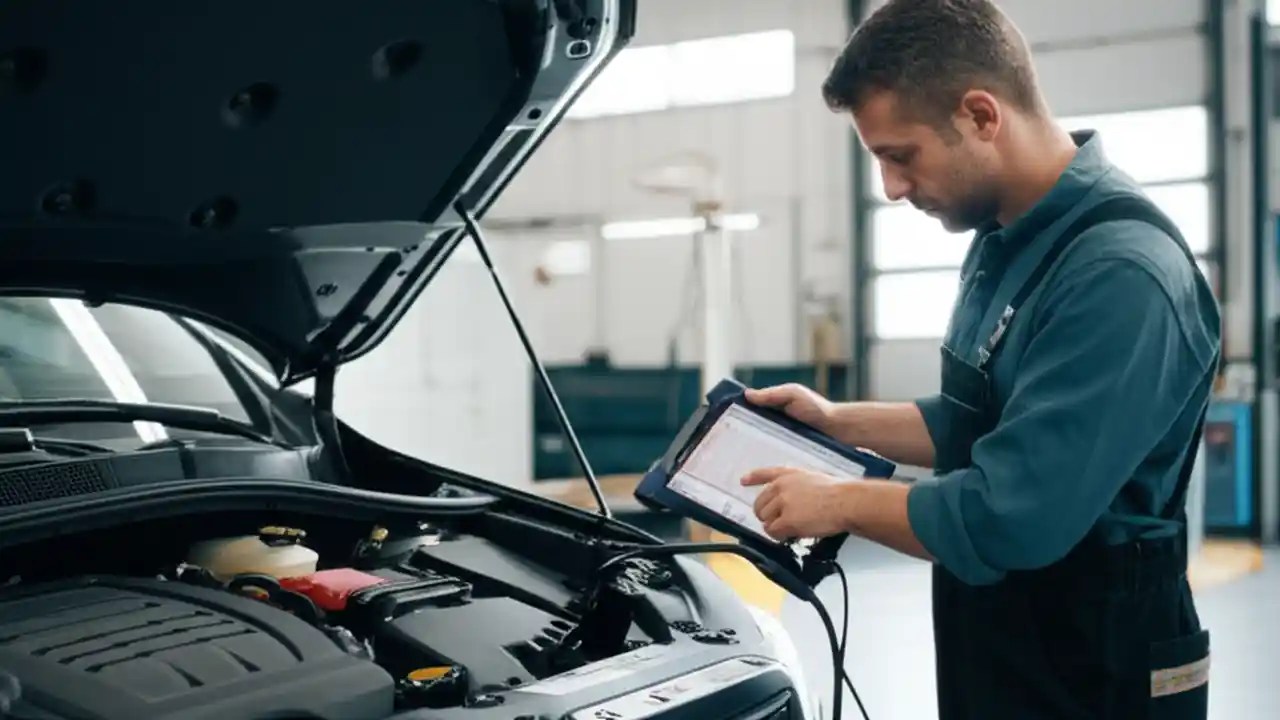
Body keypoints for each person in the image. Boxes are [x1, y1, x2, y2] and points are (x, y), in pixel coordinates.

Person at [740, 1, 1221, 718]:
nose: (892, 189)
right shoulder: (1004, 238)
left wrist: (839, 500)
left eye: (899, 156)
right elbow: (981, 417)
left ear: (981, 116)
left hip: (1096, 661)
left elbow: (1011, 515)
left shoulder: (1120, 274)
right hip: (1010, 640)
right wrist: (839, 423)